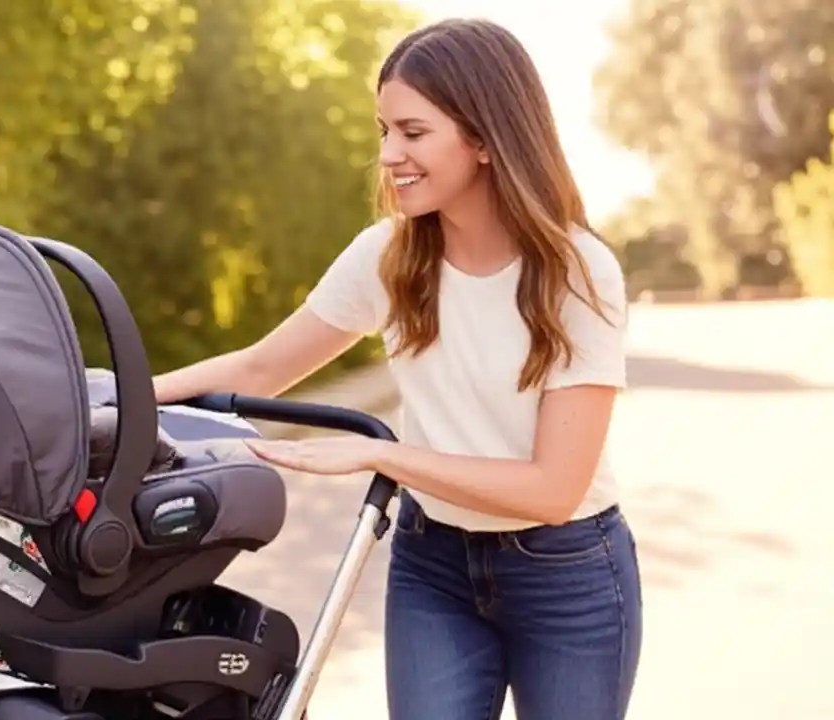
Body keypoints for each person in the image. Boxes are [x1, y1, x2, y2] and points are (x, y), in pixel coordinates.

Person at [150, 17, 642, 720]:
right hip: (433, 564)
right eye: (383, 131)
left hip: (567, 576)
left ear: (482, 137)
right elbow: (261, 367)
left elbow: (553, 490)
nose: (388, 154)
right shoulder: (388, 256)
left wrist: (383, 453)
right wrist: (114, 398)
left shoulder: (577, 273)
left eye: (412, 133)